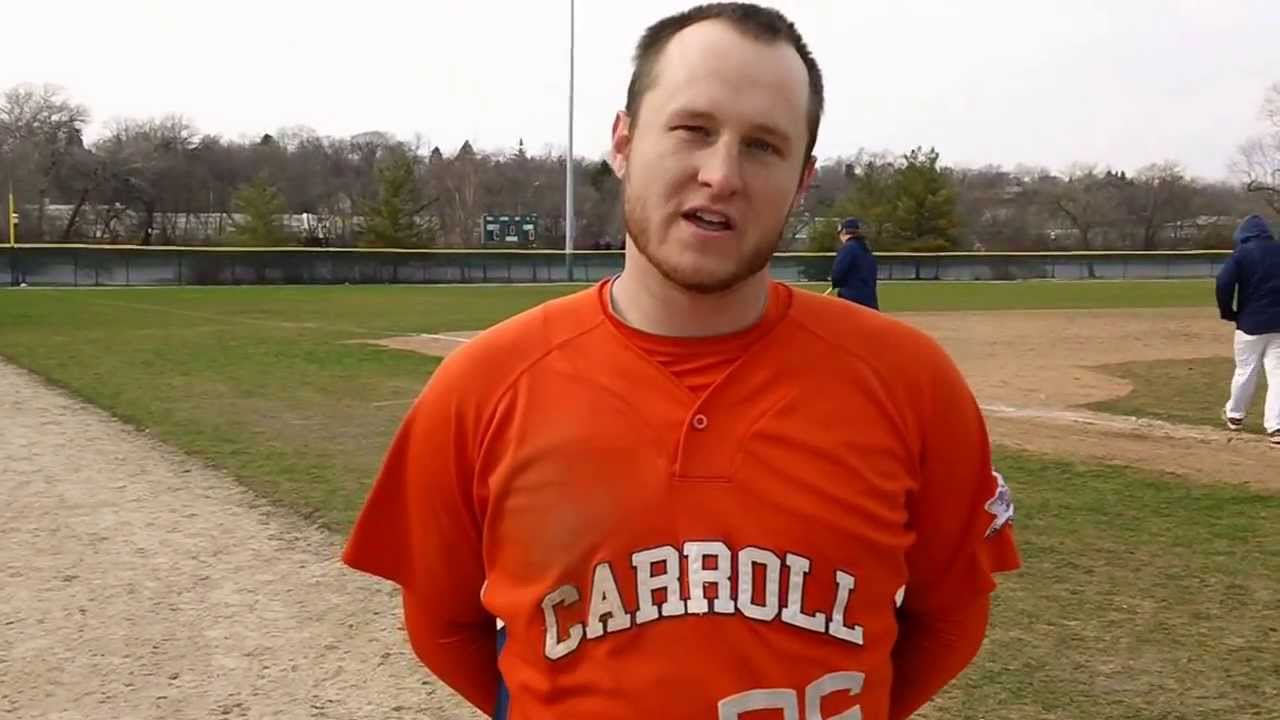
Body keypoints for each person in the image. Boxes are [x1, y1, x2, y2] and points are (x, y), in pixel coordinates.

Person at [342, 4, 1021, 719]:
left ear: (802, 181)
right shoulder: (483, 386)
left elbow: (950, 621)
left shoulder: (912, 383)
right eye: (693, 129)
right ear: (624, 141)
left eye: (763, 146)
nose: (721, 175)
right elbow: (443, 626)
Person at [1215, 213, 1280, 445]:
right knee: (1278, 375)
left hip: (1250, 323)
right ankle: (1276, 426)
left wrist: (1227, 311)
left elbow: (1223, 283)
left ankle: (1235, 415)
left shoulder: (1241, 254)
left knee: (1246, 370)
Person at [830, 217, 879, 310]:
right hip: (870, 301)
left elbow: (837, 273)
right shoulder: (866, 249)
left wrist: (835, 283)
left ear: (843, 232)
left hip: (851, 300)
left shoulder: (847, 248)